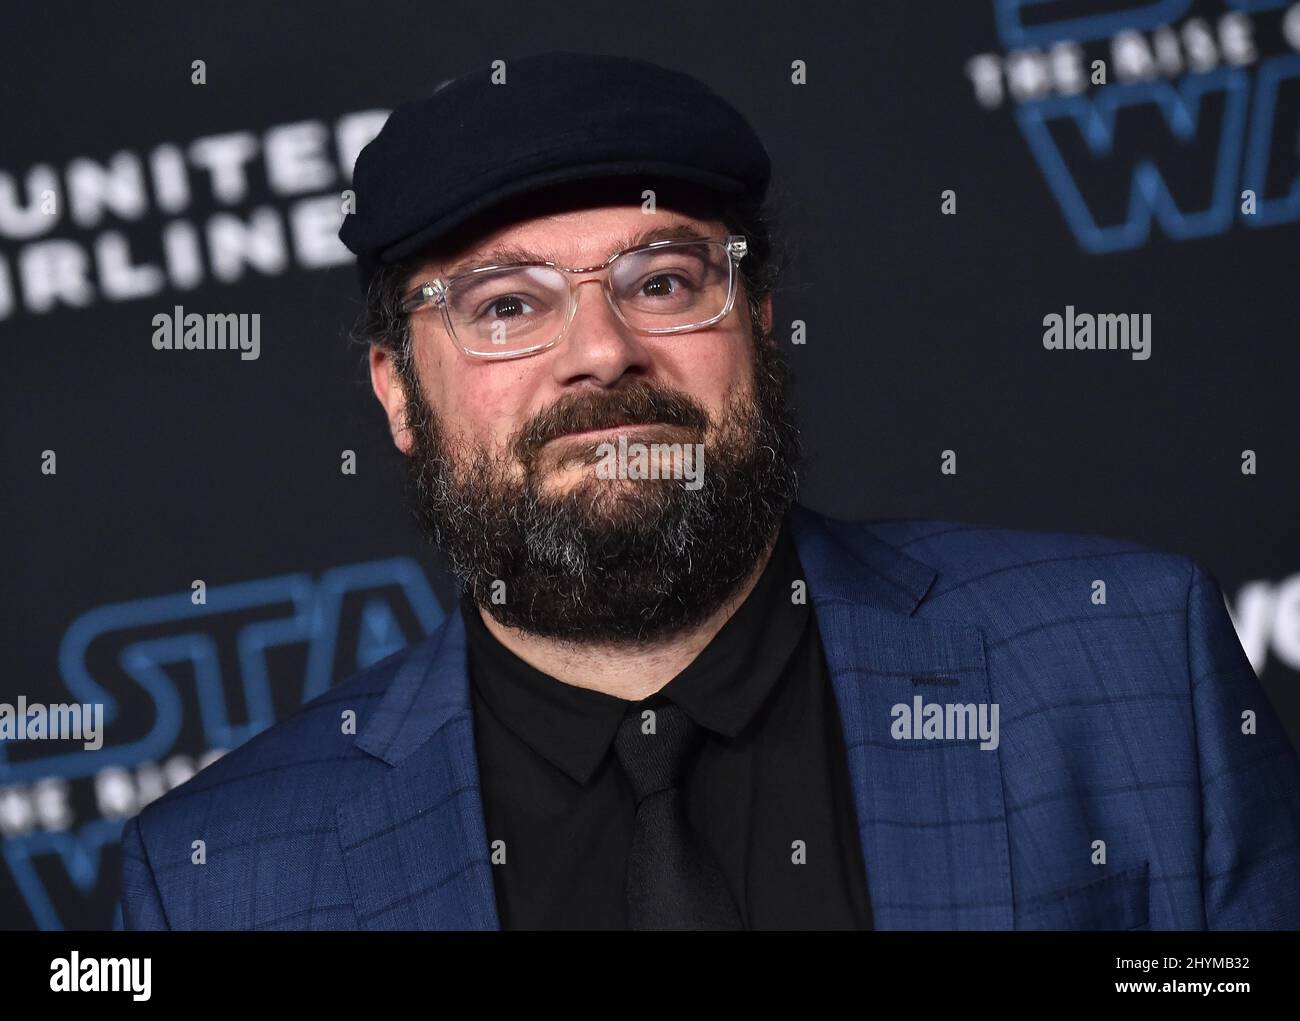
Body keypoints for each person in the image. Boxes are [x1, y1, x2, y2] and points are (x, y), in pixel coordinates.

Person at [120, 51, 1300, 931]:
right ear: (396, 391)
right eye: (507, 306)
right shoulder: (223, 879)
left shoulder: (1129, 669)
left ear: (760, 326)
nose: (601, 351)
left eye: (664, 279)